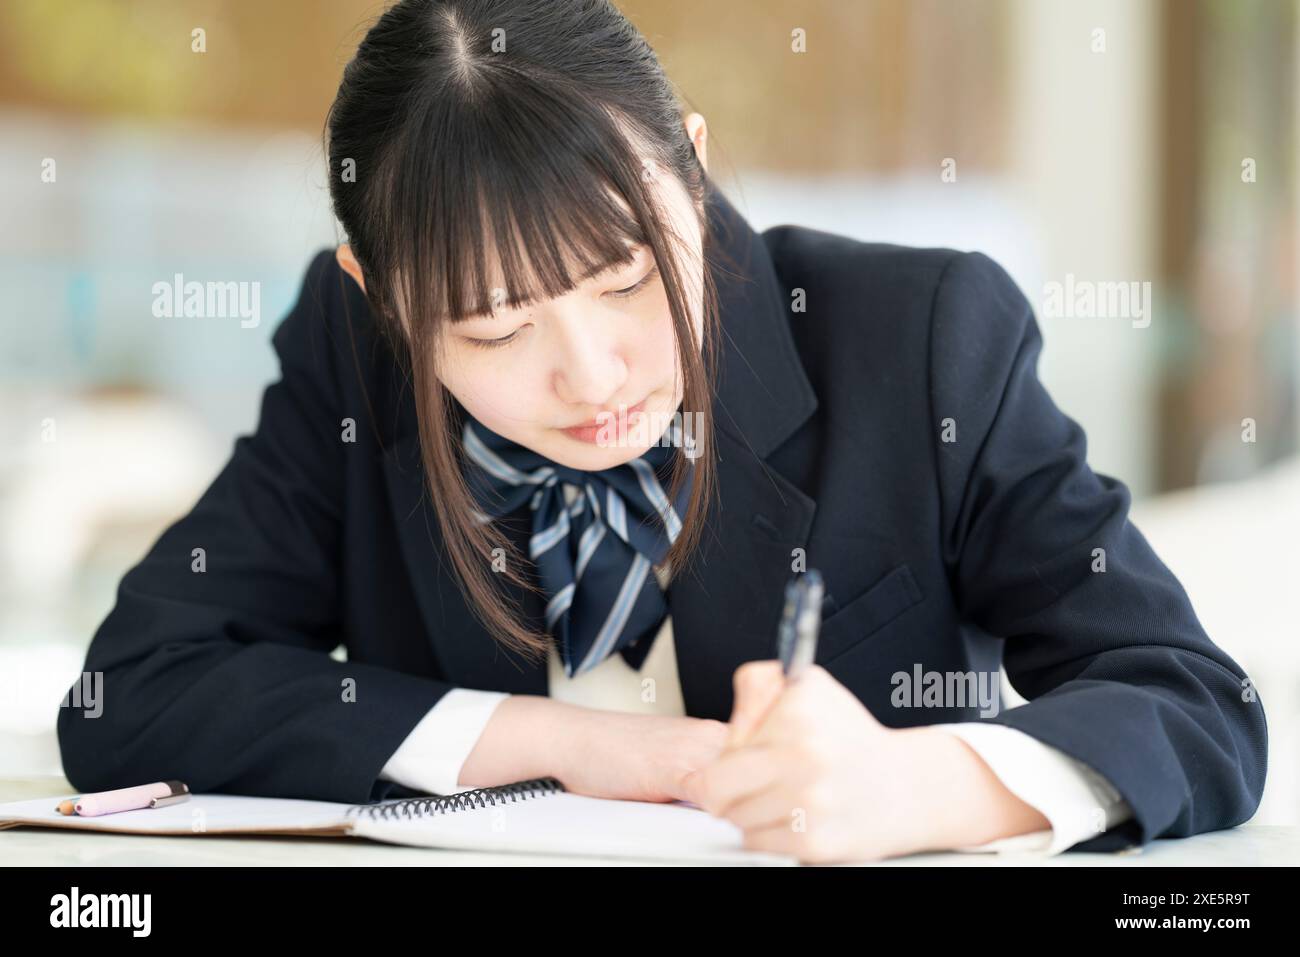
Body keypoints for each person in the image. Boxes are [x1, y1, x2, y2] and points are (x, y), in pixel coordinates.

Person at [58, 0, 1266, 864]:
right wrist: (587, 750)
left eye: (627, 277)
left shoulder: (919, 338)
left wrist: (921, 788)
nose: (592, 375)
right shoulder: (349, 357)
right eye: (490, 329)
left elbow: (1189, 700)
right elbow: (138, 689)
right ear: (378, 295)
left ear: (693, 166)